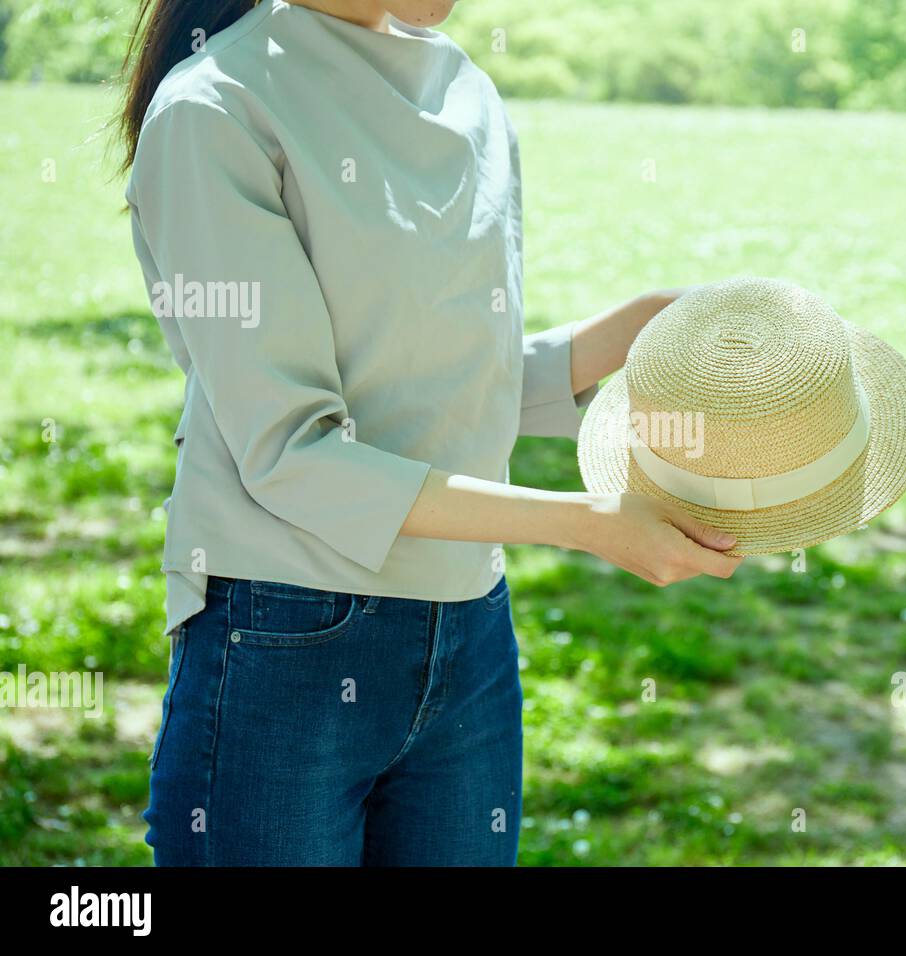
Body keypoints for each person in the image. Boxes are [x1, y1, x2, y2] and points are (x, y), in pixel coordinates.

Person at [118, 0, 741, 866]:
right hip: (283, 636)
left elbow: (448, 393)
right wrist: (586, 523)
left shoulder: (465, 89)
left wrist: (639, 327)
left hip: (470, 629)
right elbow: (292, 453)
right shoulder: (214, 109)